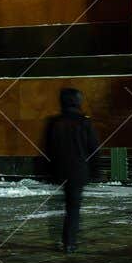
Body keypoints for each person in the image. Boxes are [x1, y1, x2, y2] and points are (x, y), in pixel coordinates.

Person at [44, 87, 100, 253]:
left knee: (63, 206)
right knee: (73, 208)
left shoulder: (54, 123)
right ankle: (69, 241)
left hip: (60, 170)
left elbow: (48, 149)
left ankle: (65, 237)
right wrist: (95, 171)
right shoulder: (84, 122)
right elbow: (93, 148)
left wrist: (48, 171)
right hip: (78, 171)